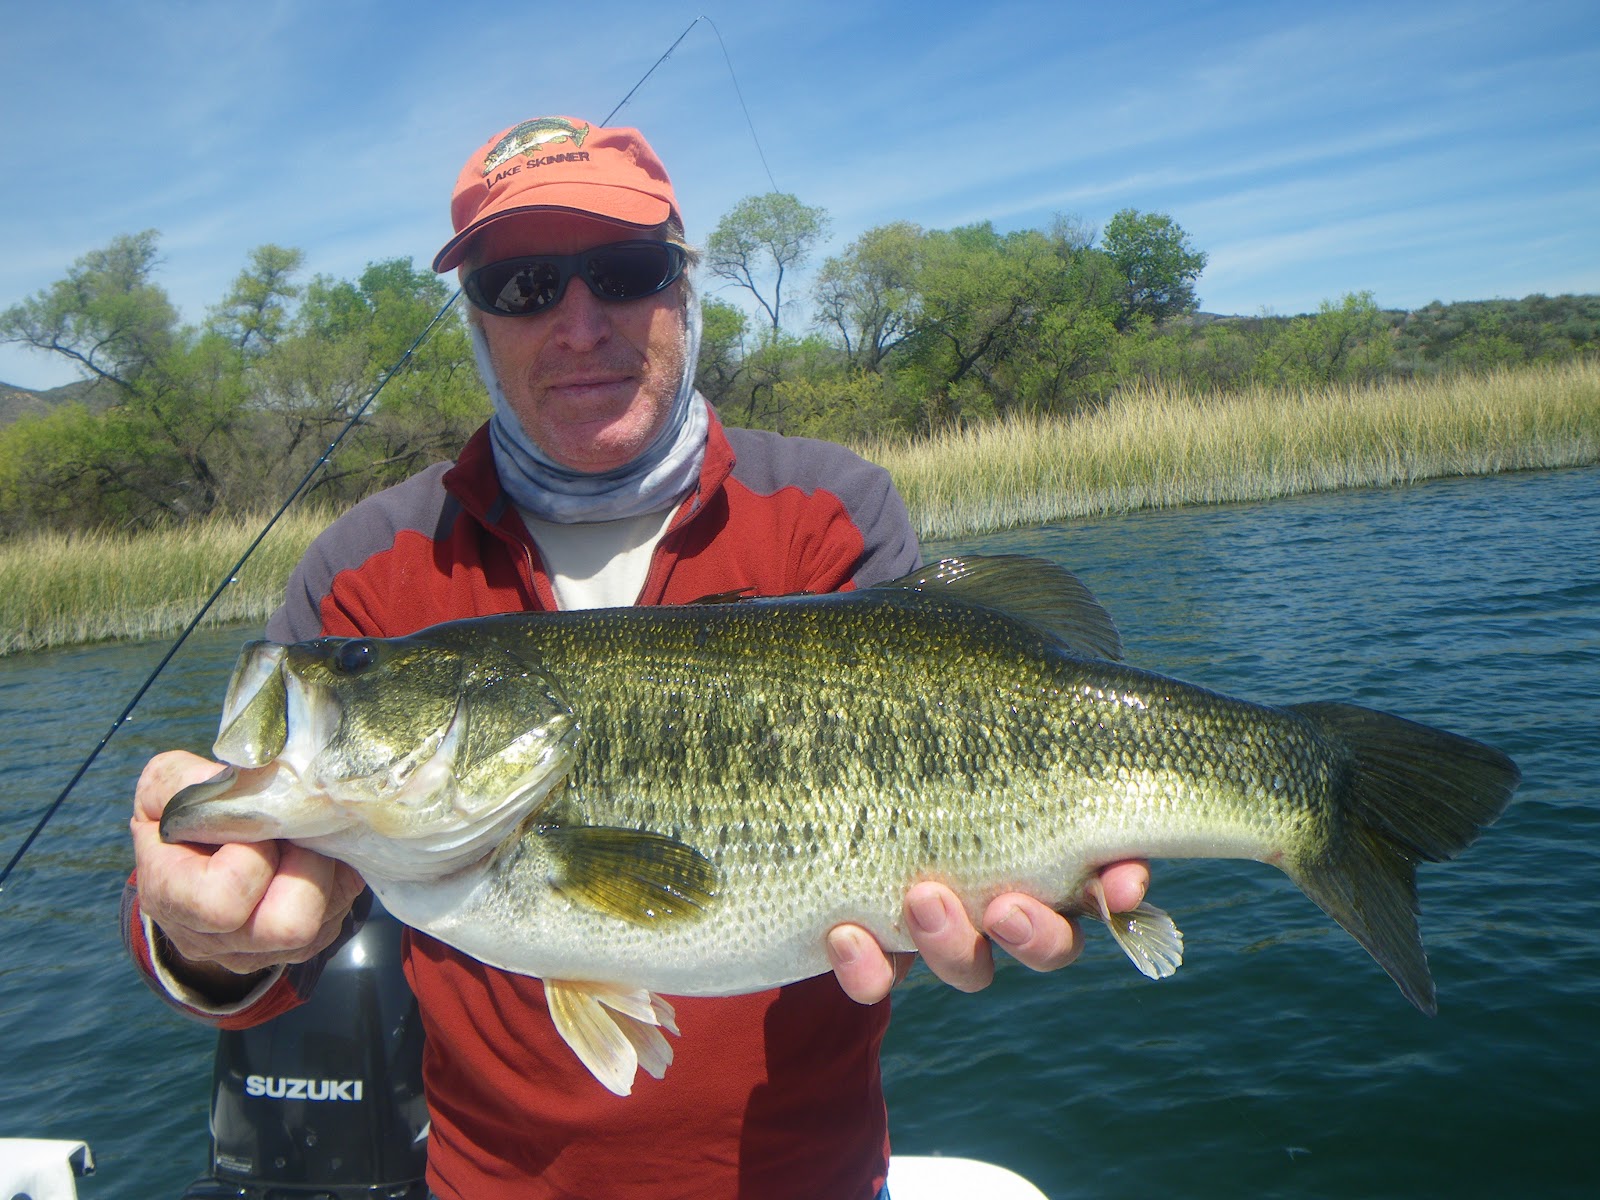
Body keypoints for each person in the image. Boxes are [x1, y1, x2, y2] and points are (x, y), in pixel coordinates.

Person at [124, 115, 1150, 1200]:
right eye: (521, 285)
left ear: (685, 288)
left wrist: (1037, 864)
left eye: (623, 271)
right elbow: (246, 927)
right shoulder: (366, 571)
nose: (579, 325)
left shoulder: (828, 511)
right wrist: (202, 939)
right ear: (475, 318)